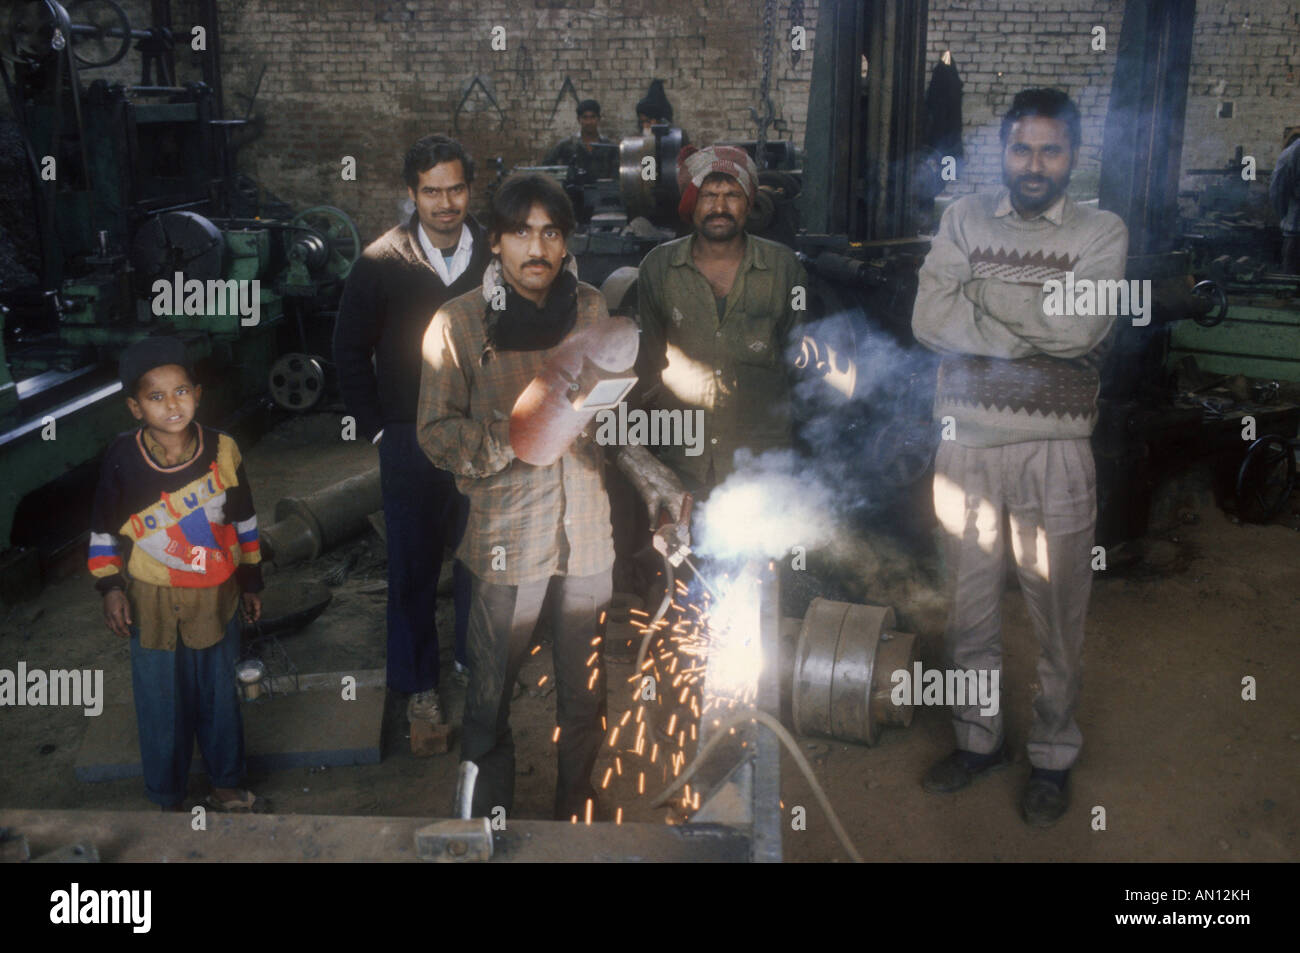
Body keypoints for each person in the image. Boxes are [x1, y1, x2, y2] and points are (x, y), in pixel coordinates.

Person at [910, 88, 1129, 827]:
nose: (1034, 165)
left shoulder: (1103, 231)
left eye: (1051, 150)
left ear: (1073, 155)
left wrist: (978, 302)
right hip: (964, 449)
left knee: (1058, 614)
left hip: (1055, 452)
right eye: (1021, 149)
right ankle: (977, 740)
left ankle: (1052, 753)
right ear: (1001, 152)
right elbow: (927, 314)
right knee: (968, 609)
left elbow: (1079, 324)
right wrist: (1025, 330)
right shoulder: (962, 218)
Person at [333, 135, 490, 735]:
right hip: (410, 439)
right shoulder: (380, 263)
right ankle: (419, 687)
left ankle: (476, 666)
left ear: (469, 190)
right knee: (413, 564)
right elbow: (348, 350)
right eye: (431, 191)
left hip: (482, 438)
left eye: (455, 188)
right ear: (411, 193)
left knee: (483, 560)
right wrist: (380, 430)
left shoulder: (494, 257)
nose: (445, 202)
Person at [89, 336, 267, 813]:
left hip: (217, 593)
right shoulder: (124, 457)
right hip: (151, 598)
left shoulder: (223, 449)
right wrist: (109, 587)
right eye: (156, 396)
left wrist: (250, 578)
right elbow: (104, 527)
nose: (172, 404)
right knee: (160, 700)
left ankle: (226, 782)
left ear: (198, 393)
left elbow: (245, 519)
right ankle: (166, 795)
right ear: (134, 406)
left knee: (220, 694)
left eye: (181, 391)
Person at [634, 145, 810, 492]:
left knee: (761, 546)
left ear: (749, 203)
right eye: (709, 195)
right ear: (691, 203)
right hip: (684, 457)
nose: (719, 207)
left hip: (761, 461)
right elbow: (649, 364)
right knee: (685, 545)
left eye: (732, 195)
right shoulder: (658, 268)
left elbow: (797, 364)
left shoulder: (784, 267)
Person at [543, 98, 613, 169]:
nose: (589, 122)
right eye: (585, 118)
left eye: (592, 117)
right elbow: (546, 166)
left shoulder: (608, 146)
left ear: (598, 118)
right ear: (579, 119)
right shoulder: (567, 144)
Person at [1269, 131, 1300, 274]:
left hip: (1296, 233)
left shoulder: (1291, 153)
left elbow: (1277, 193)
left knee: (1291, 288)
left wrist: (1284, 218)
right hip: (1296, 233)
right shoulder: (1294, 153)